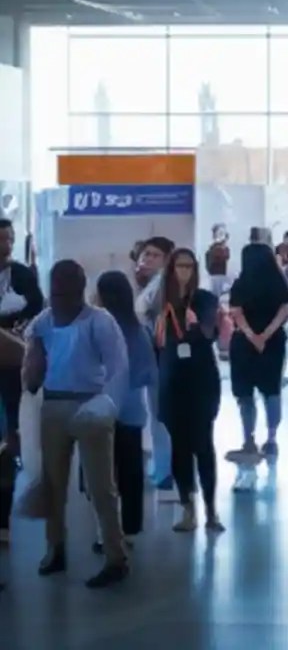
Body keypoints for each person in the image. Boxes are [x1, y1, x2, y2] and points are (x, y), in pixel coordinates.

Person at [24, 260, 131, 588]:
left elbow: (118, 367)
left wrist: (107, 405)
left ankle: (116, 556)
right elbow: (31, 358)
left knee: (101, 488)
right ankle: (55, 548)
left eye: (66, 293)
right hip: (54, 404)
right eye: (55, 293)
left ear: (81, 291)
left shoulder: (100, 321)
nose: (60, 300)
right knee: (53, 485)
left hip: (91, 403)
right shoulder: (44, 321)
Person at [155, 249, 224, 532]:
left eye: (188, 266)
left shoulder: (205, 299)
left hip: (201, 381)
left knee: (203, 445)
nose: (183, 271)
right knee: (179, 448)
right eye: (178, 266)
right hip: (172, 381)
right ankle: (187, 508)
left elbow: (210, 333)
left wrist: (198, 324)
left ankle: (211, 509)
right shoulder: (162, 302)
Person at [94, 271, 155, 548]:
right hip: (129, 412)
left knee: (102, 475)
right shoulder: (137, 330)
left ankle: (105, 531)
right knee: (130, 471)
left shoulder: (95, 327)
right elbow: (147, 373)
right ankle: (128, 529)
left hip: (101, 411)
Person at [0, 218, 43, 546]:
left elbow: (37, 307)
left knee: (9, 429)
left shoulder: (23, 274)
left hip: (12, 359)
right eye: (2, 239)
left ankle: (3, 518)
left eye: (10, 239)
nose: (7, 245)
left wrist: (19, 329)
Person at [228, 243, 288, 460]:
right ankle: (272, 439)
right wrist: (265, 335)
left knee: (245, 395)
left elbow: (236, 312)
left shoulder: (240, 283)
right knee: (272, 391)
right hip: (273, 343)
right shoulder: (278, 282)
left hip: (243, 344)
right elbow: (285, 310)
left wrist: (252, 336)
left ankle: (248, 439)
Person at [133, 236, 175, 492]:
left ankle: (165, 470)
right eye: (145, 254)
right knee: (157, 415)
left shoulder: (164, 287)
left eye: (154, 255)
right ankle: (162, 466)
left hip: (162, 356)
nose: (147, 259)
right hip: (152, 356)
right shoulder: (149, 285)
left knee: (161, 416)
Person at [206, 224, 232, 298]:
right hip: (215, 275)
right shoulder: (215, 248)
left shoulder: (222, 248)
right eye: (220, 233)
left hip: (220, 274)